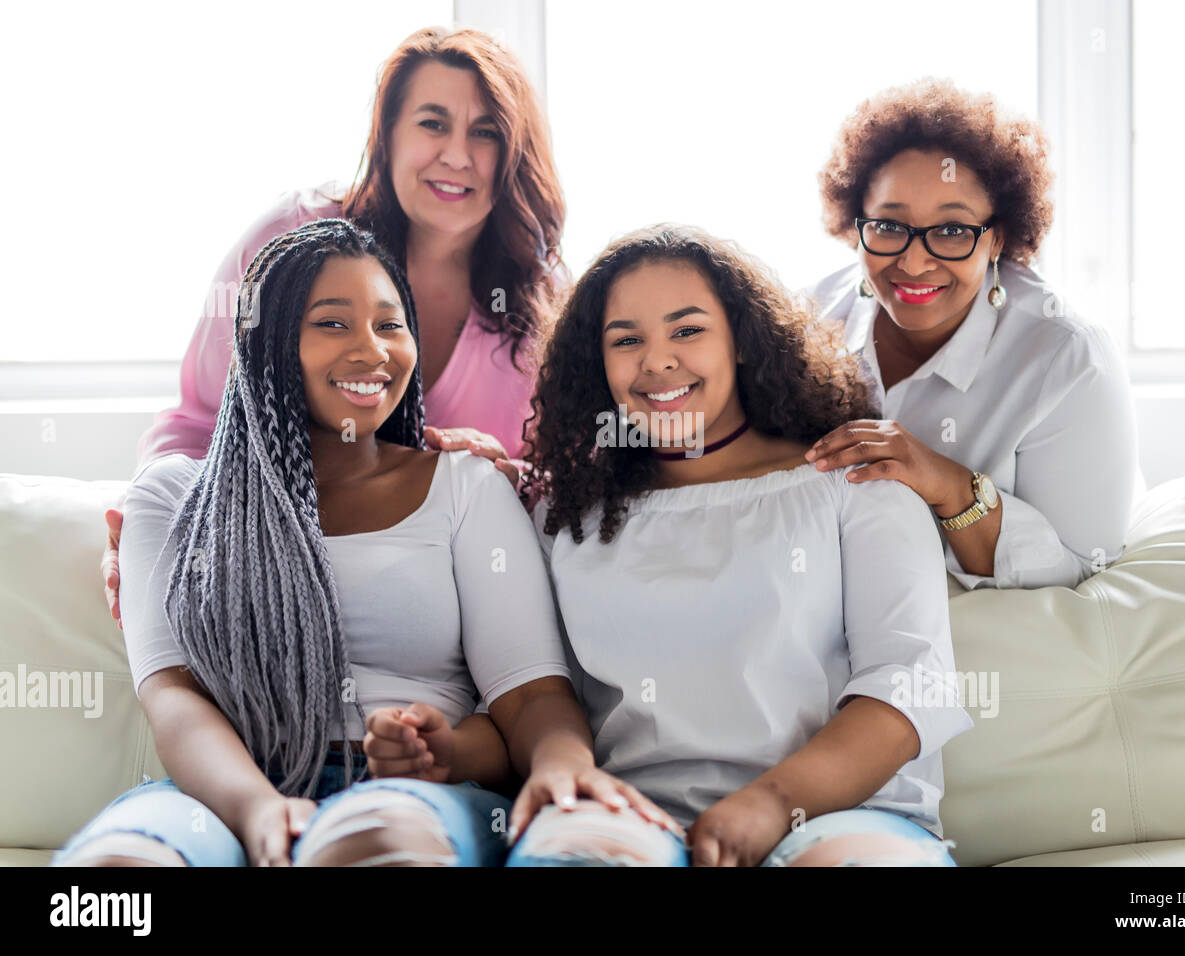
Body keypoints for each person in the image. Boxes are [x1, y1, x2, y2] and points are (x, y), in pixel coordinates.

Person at [53, 220, 678, 867]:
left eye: (389, 325)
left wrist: (529, 761)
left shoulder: (464, 487)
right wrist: (258, 808)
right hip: (224, 791)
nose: (371, 350)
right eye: (332, 323)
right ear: (264, 341)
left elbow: (531, 699)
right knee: (117, 867)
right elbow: (174, 698)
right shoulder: (174, 499)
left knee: (375, 846)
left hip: (415, 797)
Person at [371, 225, 974, 866]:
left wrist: (771, 804)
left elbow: (908, 685)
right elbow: (536, 701)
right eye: (626, 340)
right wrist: (451, 750)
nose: (657, 361)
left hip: (841, 816)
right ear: (596, 364)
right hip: (629, 813)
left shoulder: (856, 480)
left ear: (742, 341)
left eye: (687, 331)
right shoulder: (560, 513)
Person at [102, 25, 564, 627]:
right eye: (432, 123)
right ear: (388, 137)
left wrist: (511, 478)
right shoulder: (290, 240)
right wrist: (146, 524)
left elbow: (566, 481)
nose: (457, 154)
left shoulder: (542, 298)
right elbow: (196, 425)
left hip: (441, 607)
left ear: (513, 153)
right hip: (274, 573)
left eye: (485, 132)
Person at [801, 78, 1142, 589]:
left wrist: (948, 485)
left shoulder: (1069, 357)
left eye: (953, 231)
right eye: (889, 227)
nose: (914, 262)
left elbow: (1083, 565)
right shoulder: (806, 322)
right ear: (857, 226)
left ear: (997, 237)